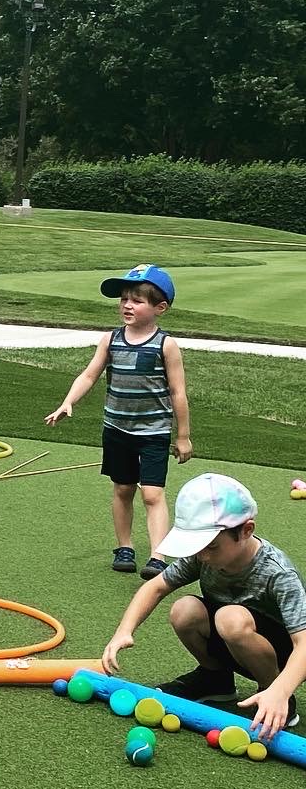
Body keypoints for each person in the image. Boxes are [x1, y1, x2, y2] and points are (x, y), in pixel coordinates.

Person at [103, 472, 305, 738]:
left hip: (282, 657)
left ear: (246, 531)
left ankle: (274, 697)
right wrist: (124, 631)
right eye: (198, 546)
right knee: (184, 609)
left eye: (211, 547)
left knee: (230, 618)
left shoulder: (277, 573)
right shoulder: (202, 556)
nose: (203, 555)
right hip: (231, 638)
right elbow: (156, 586)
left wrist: (281, 690)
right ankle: (215, 680)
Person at [44, 262, 191, 579]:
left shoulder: (166, 345)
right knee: (123, 489)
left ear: (160, 307)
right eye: (124, 298)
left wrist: (183, 436)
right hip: (117, 430)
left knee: (152, 494)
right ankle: (124, 548)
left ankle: (158, 557)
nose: (127, 305)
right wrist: (68, 402)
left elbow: (179, 393)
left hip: (154, 431)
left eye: (137, 300)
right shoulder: (110, 339)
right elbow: (89, 374)